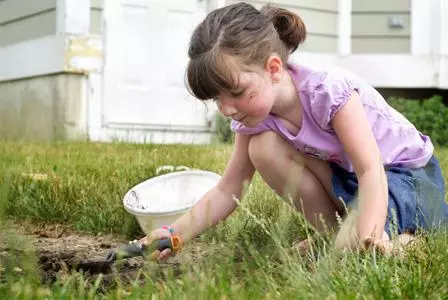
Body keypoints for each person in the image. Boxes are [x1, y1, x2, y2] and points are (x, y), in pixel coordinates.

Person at [141, 2, 447, 259]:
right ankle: (336, 233)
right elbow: (228, 188)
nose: (227, 109)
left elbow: (370, 170)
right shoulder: (255, 120)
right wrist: (173, 232)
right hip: (352, 180)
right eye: (217, 98)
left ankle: (399, 243)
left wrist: (363, 236)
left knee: (352, 249)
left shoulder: (329, 93)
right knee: (262, 148)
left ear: (273, 68)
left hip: (406, 178)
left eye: (235, 92)